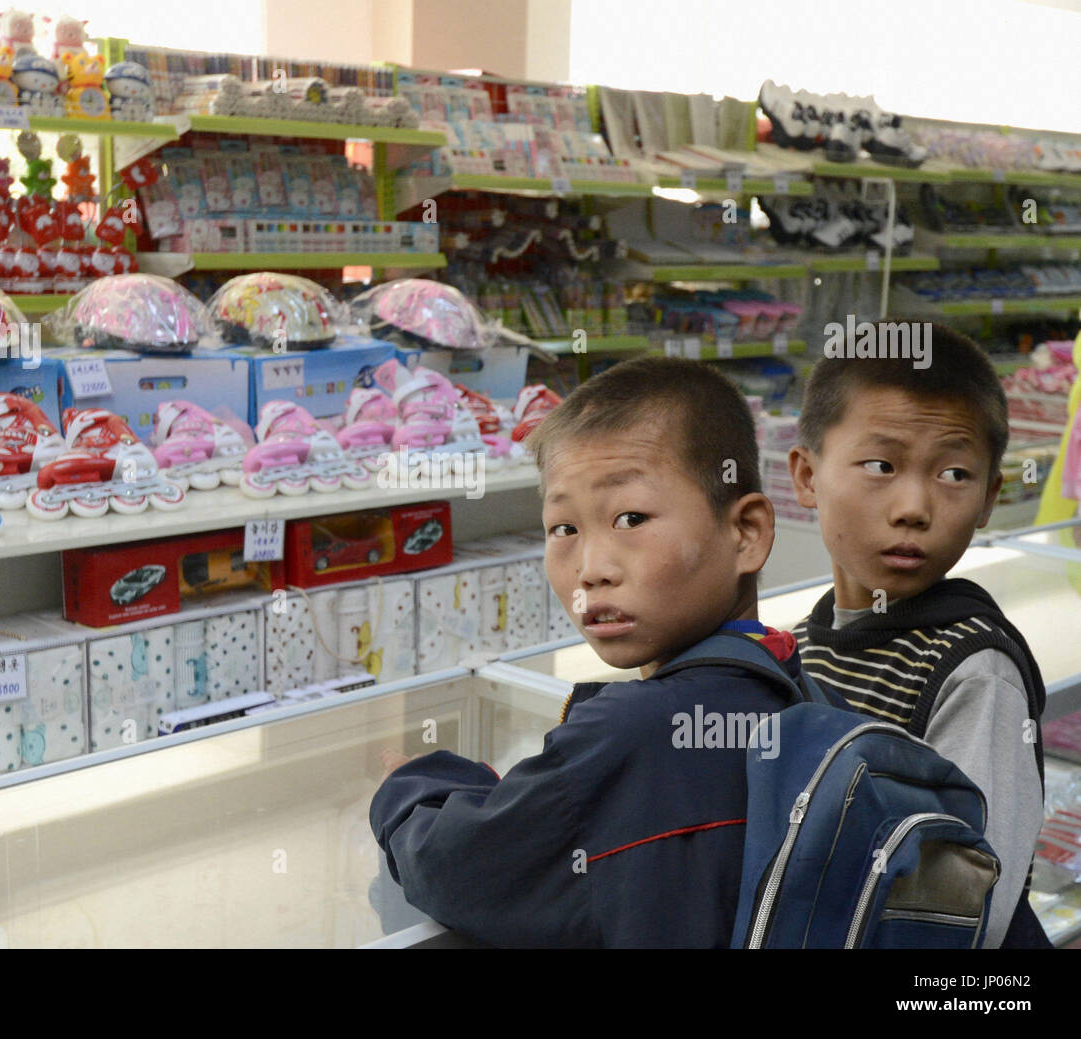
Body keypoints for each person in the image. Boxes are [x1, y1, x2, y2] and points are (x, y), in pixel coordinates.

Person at [369, 356, 804, 947]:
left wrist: (414, 783)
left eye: (630, 518)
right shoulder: (794, 681)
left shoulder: (636, 731)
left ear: (746, 533)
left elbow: (452, 867)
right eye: (564, 529)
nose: (591, 571)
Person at [787, 322, 1050, 948]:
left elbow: (967, 908)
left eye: (954, 475)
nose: (914, 506)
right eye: (881, 464)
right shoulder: (803, 640)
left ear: (989, 498)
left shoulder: (973, 671)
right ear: (806, 477)